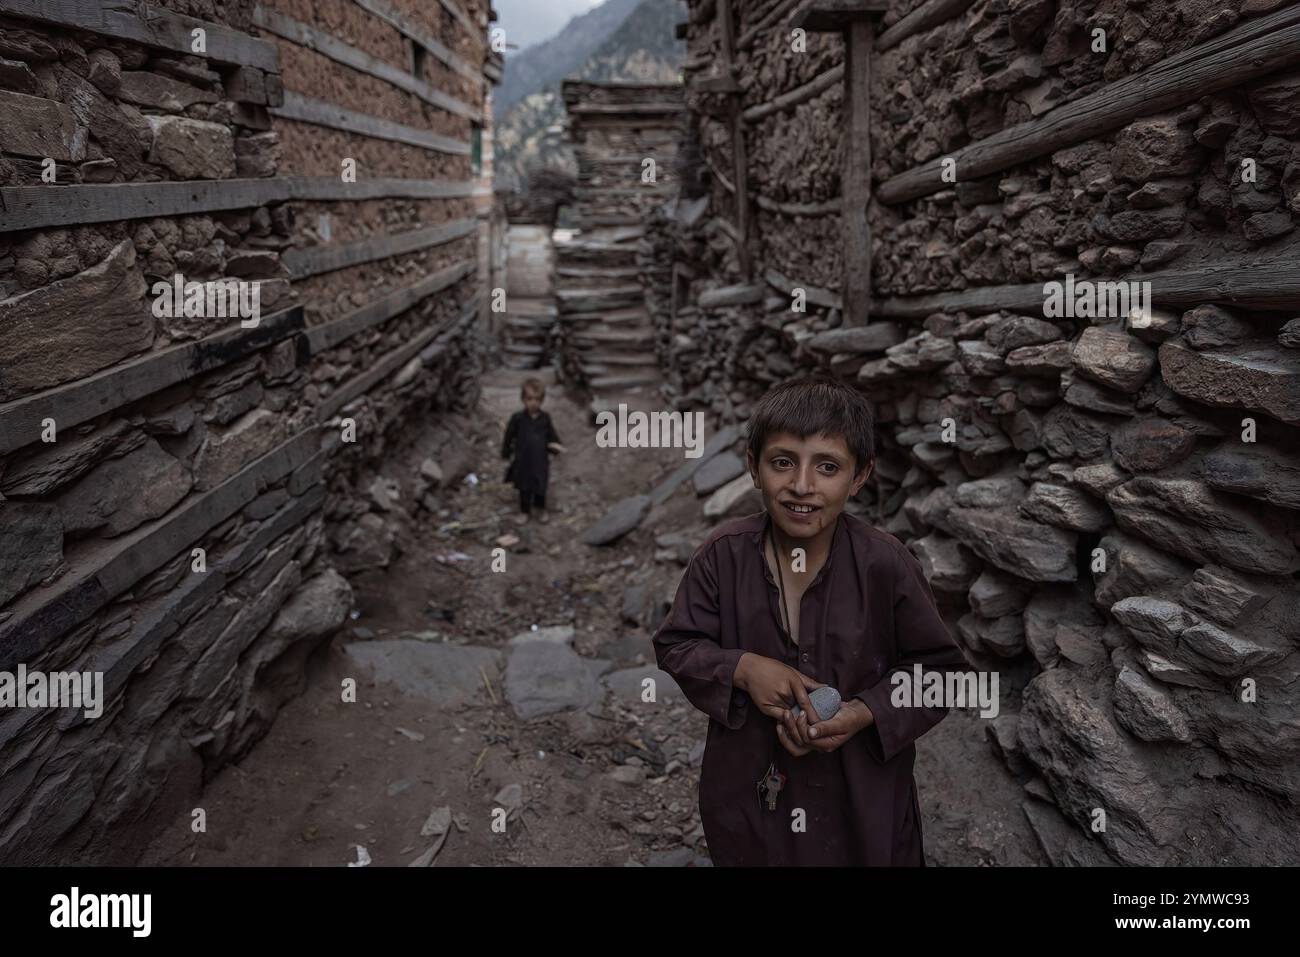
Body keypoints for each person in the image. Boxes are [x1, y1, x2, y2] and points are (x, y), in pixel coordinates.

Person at [652, 375, 972, 865]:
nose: (802, 486)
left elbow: (941, 674)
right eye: (782, 462)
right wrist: (744, 668)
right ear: (754, 468)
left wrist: (865, 711)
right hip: (750, 793)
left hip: (861, 800)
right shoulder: (723, 557)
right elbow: (677, 644)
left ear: (860, 476)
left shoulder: (885, 566)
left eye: (827, 466)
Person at [502, 378, 565, 524]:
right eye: (529, 399)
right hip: (523, 459)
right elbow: (509, 436)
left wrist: (556, 446)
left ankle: (540, 508)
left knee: (540, 485)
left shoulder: (545, 419)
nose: (533, 403)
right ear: (523, 399)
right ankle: (524, 511)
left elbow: (551, 436)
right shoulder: (517, 418)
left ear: (542, 400)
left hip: (540, 460)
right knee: (524, 486)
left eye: (537, 399)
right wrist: (506, 452)